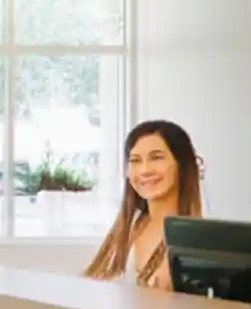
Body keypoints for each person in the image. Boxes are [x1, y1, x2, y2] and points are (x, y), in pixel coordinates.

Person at [84, 120, 204, 290]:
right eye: (135, 160)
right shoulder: (125, 230)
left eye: (156, 158)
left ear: (183, 164)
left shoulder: (198, 241)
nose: (145, 170)